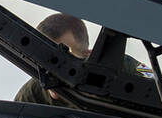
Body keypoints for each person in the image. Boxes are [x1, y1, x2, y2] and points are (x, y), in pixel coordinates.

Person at [14, 13, 150, 106]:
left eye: (63, 59)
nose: (51, 69)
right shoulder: (30, 97)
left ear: (88, 55)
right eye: (44, 59)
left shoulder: (123, 67)